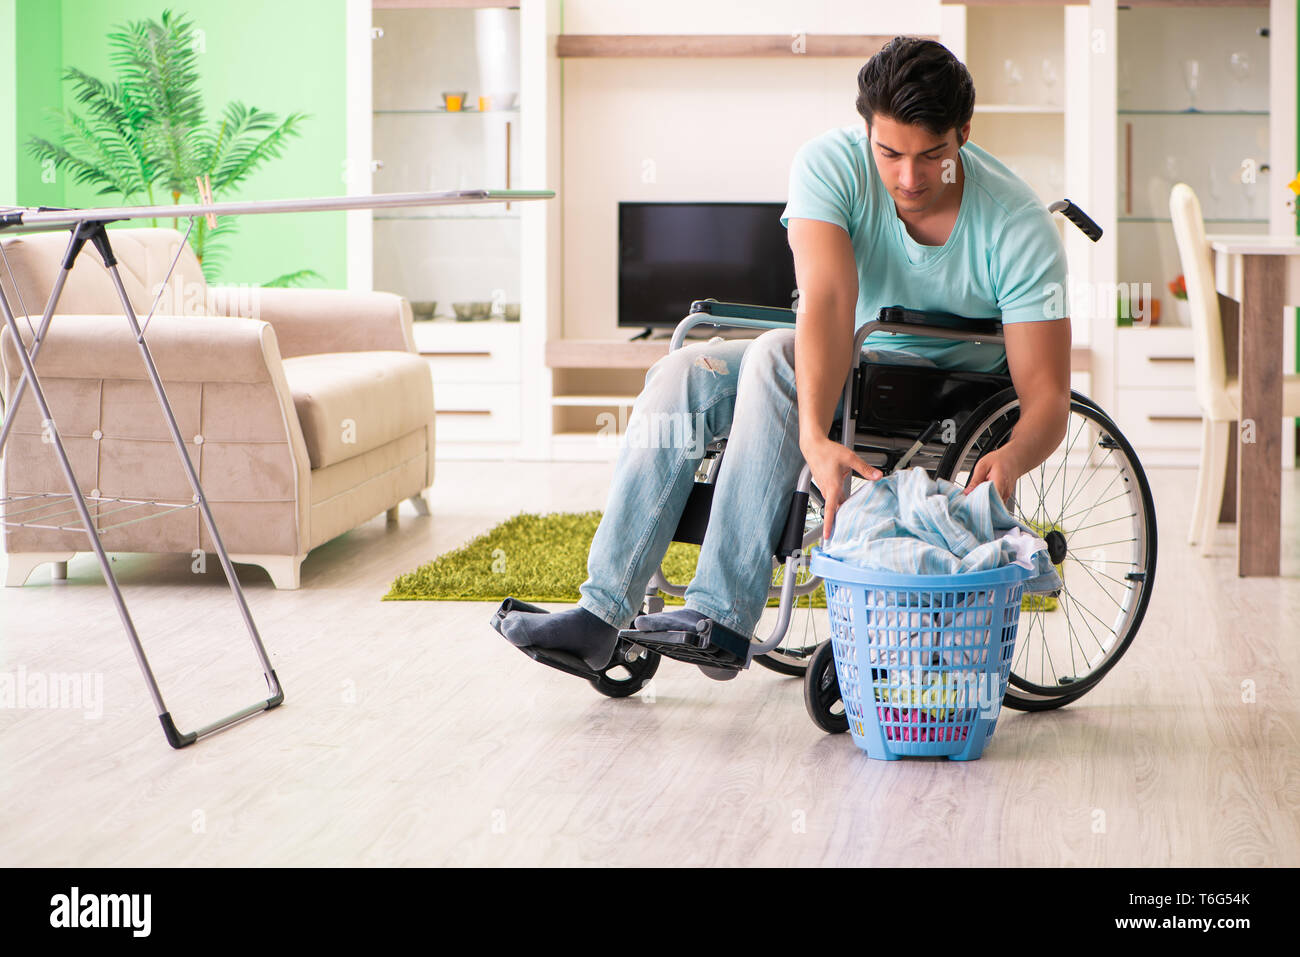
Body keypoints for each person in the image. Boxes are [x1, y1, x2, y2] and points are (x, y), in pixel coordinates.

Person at [497, 35, 1071, 676]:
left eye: (931, 156)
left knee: (775, 353)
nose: (908, 179)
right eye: (889, 153)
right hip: (843, 360)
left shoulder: (1017, 224)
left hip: (938, 390)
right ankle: (602, 614)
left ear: (964, 133)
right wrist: (814, 440)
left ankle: (720, 618)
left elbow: (1046, 393)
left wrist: (1015, 455)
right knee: (684, 369)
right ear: (866, 132)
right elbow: (826, 299)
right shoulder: (829, 165)